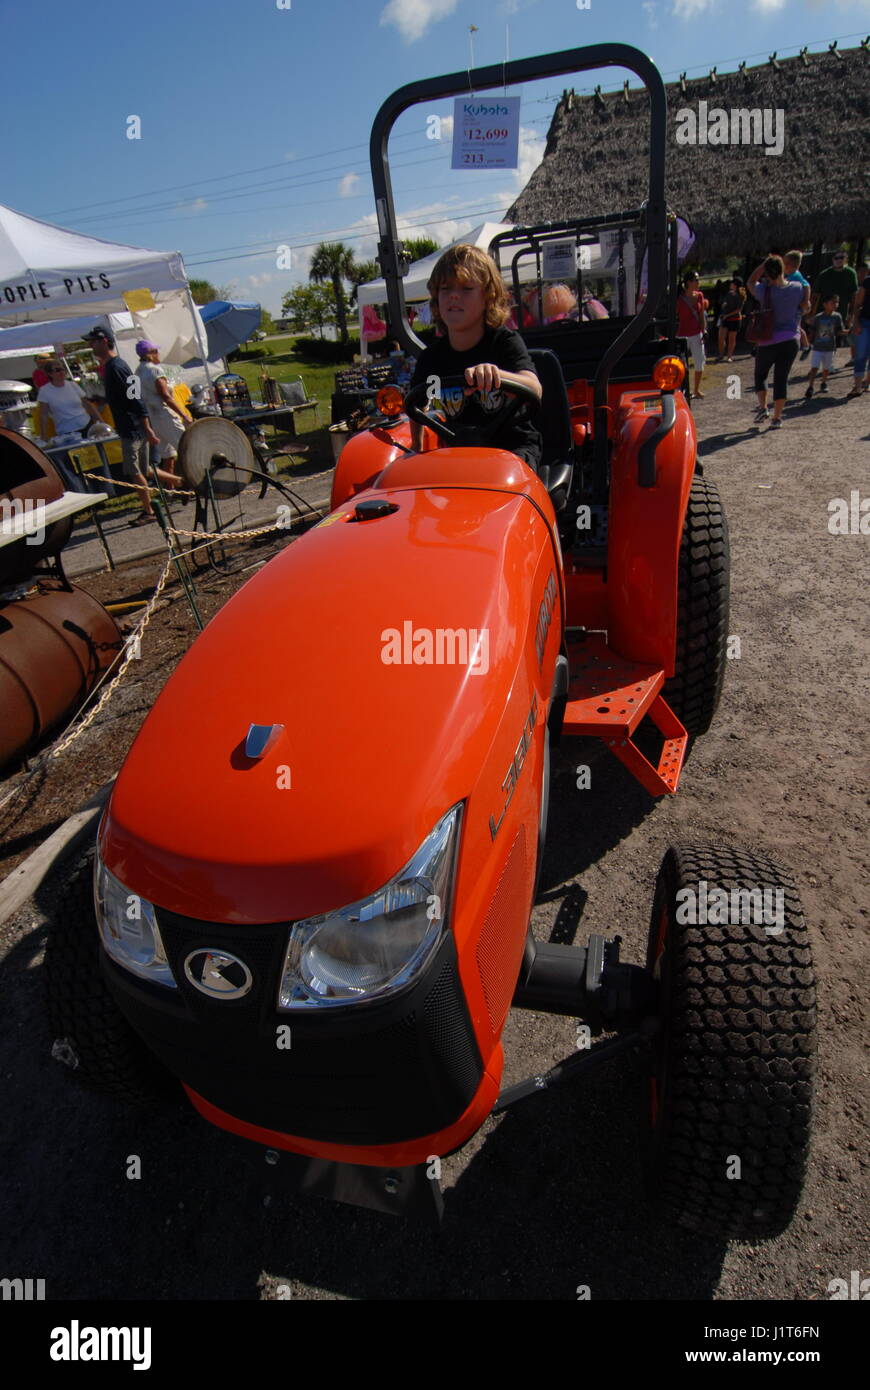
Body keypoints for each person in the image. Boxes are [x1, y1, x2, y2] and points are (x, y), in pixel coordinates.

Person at [407, 243, 543, 471]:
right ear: (436, 298)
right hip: (459, 455)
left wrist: (498, 375)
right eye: (445, 288)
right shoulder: (432, 359)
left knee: (499, 476)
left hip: (512, 453)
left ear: (488, 297)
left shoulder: (504, 343)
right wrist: (416, 447)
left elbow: (534, 388)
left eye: (466, 288)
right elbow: (416, 406)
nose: (454, 296)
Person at [82, 327, 174, 525]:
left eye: (94, 342)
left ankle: (149, 509)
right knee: (144, 468)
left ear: (105, 341)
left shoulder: (117, 367)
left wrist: (146, 426)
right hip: (130, 424)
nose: (91, 345)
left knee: (135, 471)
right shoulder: (114, 366)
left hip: (132, 426)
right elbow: (127, 395)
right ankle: (179, 482)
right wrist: (103, 398)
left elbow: (135, 396)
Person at [747, 255, 809, 428]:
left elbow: (750, 282)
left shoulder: (764, 290)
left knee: (761, 374)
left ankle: (763, 407)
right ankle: (777, 418)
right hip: (790, 339)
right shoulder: (797, 288)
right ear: (783, 270)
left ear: (767, 272)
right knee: (781, 378)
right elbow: (806, 302)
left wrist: (762, 265)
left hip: (768, 340)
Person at [36, 360, 106, 492]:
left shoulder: (72, 385)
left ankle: (103, 489)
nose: (61, 372)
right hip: (67, 432)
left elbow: (87, 404)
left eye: (62, 369)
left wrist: (101, 422)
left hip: (85, 425)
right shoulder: (45, 391)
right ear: (49, 374)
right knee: (78, 466)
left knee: (95, 460)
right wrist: (44, 436)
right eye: (56, 370)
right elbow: (43, 415)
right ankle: (85, 492)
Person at [135, 340, 190, 480]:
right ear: (150, 354)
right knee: (187, 448)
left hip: (152, 418)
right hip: (164, 414)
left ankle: (171, 488)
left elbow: (136, 397)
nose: (159, 354)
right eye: (156, 351)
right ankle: (194, 481)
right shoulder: (155, 370)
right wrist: (183, 414)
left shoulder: (137, 372)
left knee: (168, 455)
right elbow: (165, 396)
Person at [810, 249, 859, 365]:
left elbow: (854, 295)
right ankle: (828, 364)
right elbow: (816, 295)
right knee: (827, 338)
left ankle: (854, 358)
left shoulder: (851, 273)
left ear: (845, 259)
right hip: (827, 313)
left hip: (843, 311)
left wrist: (852, 314)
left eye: (841, 257)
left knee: (849, 334)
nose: (839, 260)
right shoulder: (824, 274)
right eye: (836, 258)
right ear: (832, 260)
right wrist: (812, 313)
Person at [804, 295, 844, 398]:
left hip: (830, 347)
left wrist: (849, 332)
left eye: (836, 302)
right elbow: (812, 331)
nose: (835, 305)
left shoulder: (837, 317)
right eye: (832, 303)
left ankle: (824, 382)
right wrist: (808, 342)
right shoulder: (818, 317)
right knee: (814, 367)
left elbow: (839, 330)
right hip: (818, 347)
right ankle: (810, 386)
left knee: (826, 368)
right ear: (825, 304)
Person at [676, 271, 708, 399]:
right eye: (696, 280)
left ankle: (696, 389)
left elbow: (701, 315)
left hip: (696, 333)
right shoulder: (679, 298)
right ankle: (681, 389)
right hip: (682, 334)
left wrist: (704, 330)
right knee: (681, 364)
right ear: (689, 282)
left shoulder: (699, 296)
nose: (698, 282)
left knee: (699, 362)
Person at [844, 265, 870, 399]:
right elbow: (858, 303)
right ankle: (857, 386)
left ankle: (866, 381)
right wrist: (856, 322)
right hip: (865, 322)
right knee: (861, 354)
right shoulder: (867, 281)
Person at [783, 251, 811, 355]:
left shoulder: (795, 275)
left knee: (796, 327)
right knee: (797, 326)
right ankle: (805, 345)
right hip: (793, 306)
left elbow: (807, 286)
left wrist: (805, 301)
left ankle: (804, 346)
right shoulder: (791, 275)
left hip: (797, 307)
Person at [715, 278, 745, 361]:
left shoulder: (741, 296)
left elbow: (738, 310)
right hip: (725, 318)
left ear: (735, 285)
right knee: (721, 337)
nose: (730, 284)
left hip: (735, 319)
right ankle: (721, 355)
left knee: (731, 339)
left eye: (732, 283)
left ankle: (729, 356)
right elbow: (723, 303)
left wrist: (728, 315)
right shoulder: (728, 293)